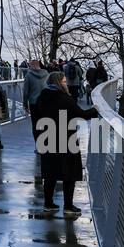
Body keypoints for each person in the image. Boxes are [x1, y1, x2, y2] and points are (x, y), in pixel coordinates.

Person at [32, 71, 98, 216]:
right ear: (58, 83)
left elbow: (35, 120)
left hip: (47, 139)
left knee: (50, 173)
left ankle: (48, 204)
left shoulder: (41, 98)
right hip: (66, 140)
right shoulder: (65, 99)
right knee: (70, 173)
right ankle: (68, 206)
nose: (66, 83)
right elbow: (82, 115)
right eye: (63, 81)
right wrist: (96, 110)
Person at [22, 58, 49, 151]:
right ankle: (46, 143)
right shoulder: (46, 74)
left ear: (31, 66)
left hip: (34, 103)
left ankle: (38, 146)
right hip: (45, 103)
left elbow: (25, 92)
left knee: (36, 125)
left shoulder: (28, 76)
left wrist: (25, 104)